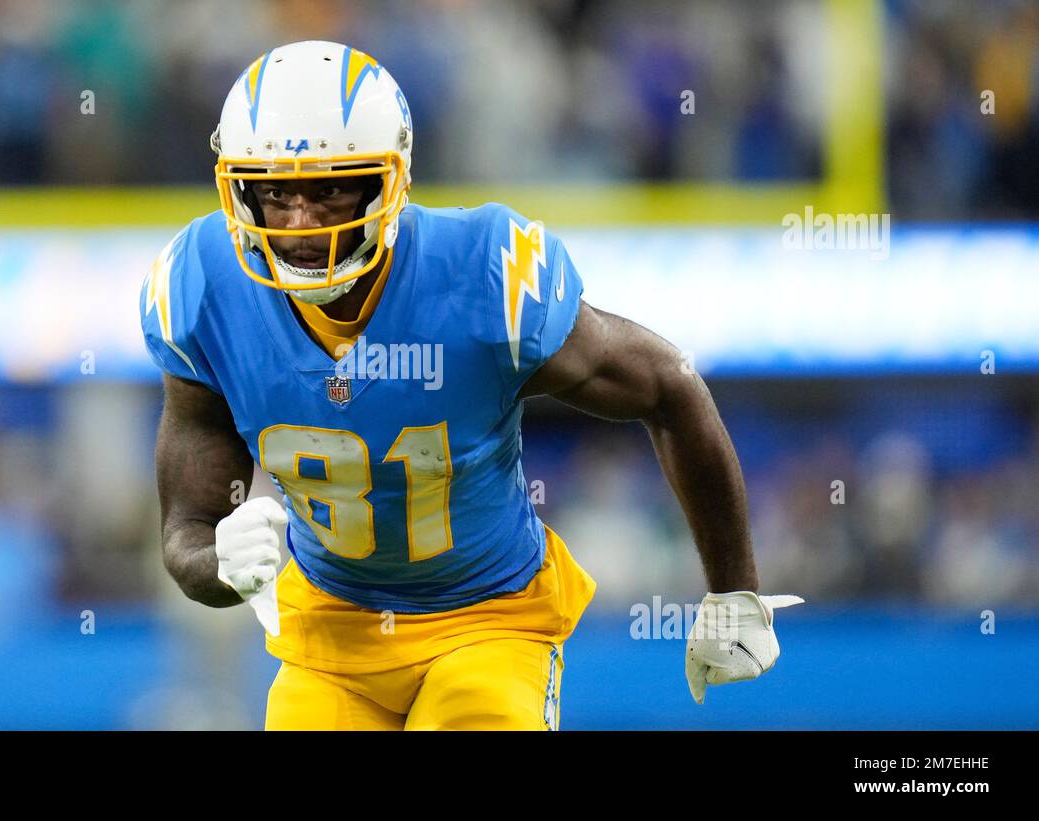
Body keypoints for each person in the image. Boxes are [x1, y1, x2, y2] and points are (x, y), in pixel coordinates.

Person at [140, 40, 800, 730]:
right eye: (276, 193)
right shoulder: (204, 288)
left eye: (331, 188)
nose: (302, 225)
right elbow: (187, 533)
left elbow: (670, 385)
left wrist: (734, 591)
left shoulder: (481, 278)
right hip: (330, 633)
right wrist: (224, 564)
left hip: (487, 615)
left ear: (388, 180)